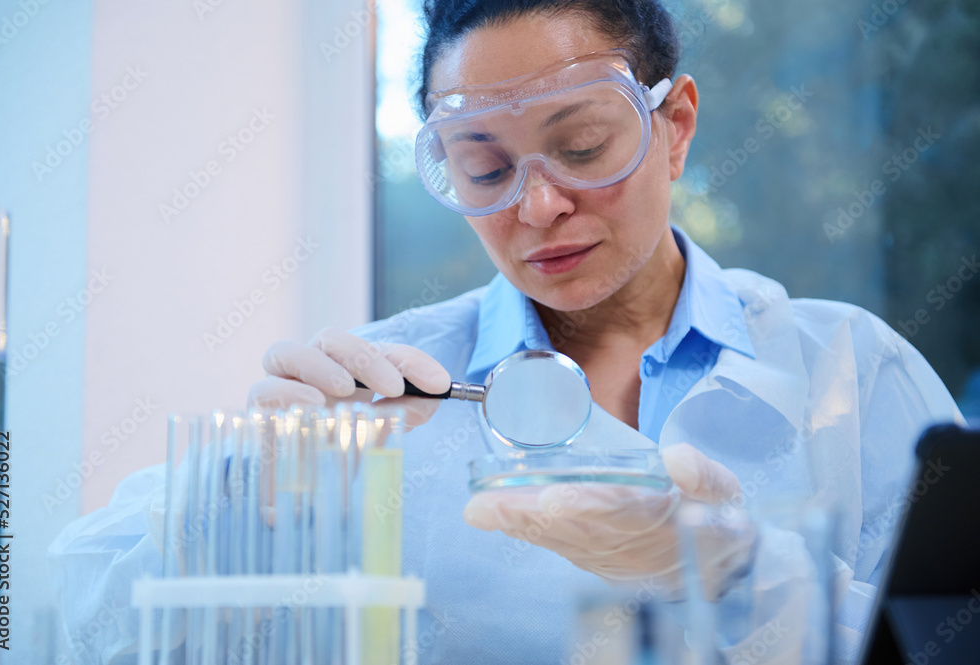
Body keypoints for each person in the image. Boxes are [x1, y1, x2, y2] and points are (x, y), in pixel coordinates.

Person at [49, 1, 964, 663]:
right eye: (483, 165)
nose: (539, 205)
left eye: (581, 146)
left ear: (674, 126)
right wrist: (242, 499)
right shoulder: (373, 391)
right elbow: (64, 630)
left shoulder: (850, 367)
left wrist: (737, 569)